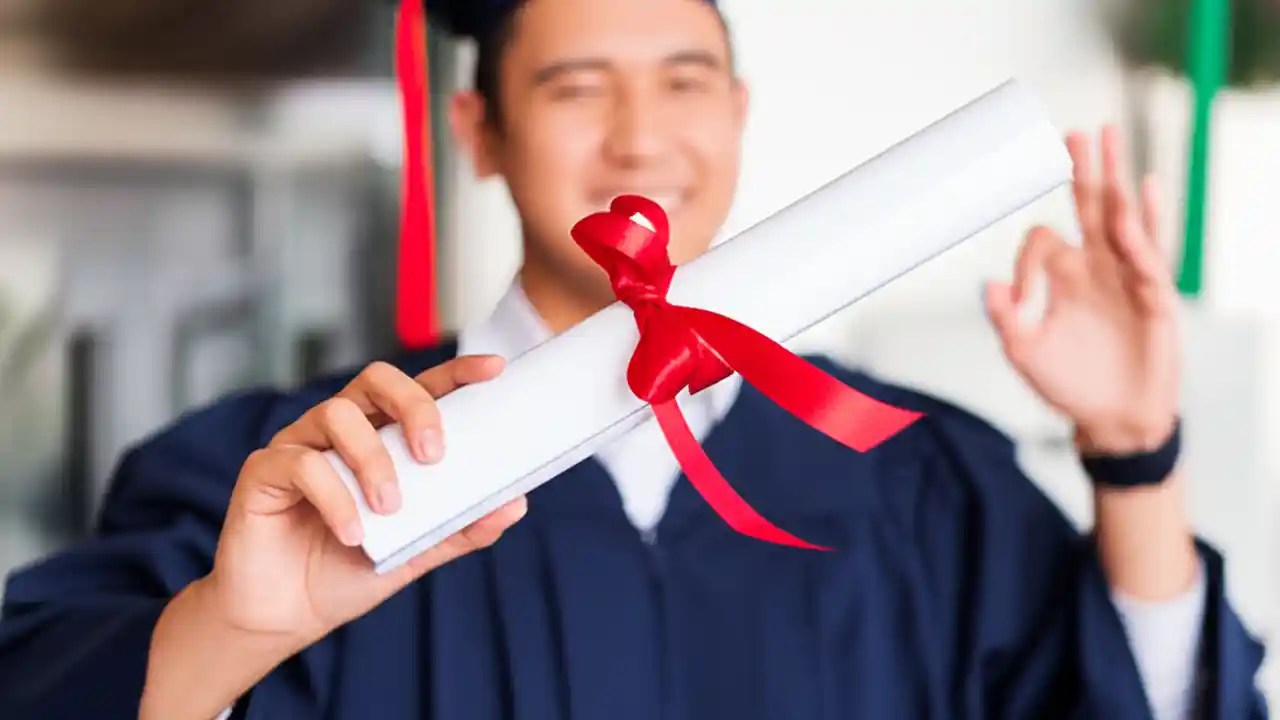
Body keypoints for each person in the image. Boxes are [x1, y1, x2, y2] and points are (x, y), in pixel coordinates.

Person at [0, 0, 1268, 717]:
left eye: (682, 81)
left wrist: (1132, 448)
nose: (638, 138)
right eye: (574, 88)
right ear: (478, 130)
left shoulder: (922, 482)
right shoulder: (300, 483)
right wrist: (233, 628)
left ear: (737, 113)